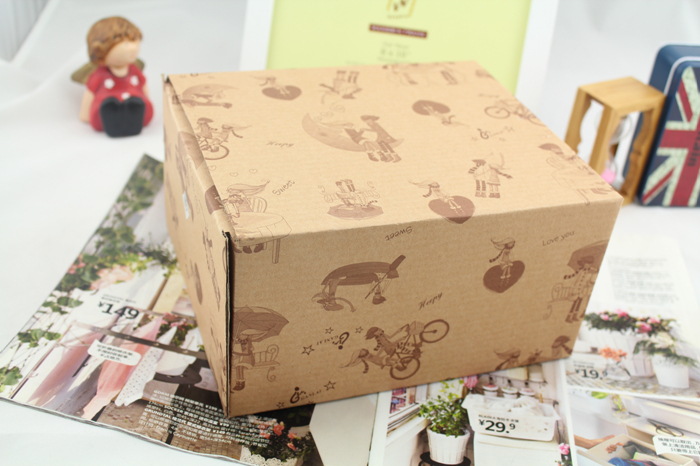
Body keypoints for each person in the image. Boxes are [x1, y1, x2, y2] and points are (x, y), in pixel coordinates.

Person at [79, 17, 153, 137]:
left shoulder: (134, 70)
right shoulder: (100, 75)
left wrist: (148, 101)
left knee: (143, 107)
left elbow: (144, 87)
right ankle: (112, 114)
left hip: (136, 106)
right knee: (105, 108)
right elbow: (90, 94)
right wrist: (85, 115)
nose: (133, 48)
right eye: (126, 43)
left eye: (134, 40)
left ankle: (134, 112)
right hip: (105, 111)